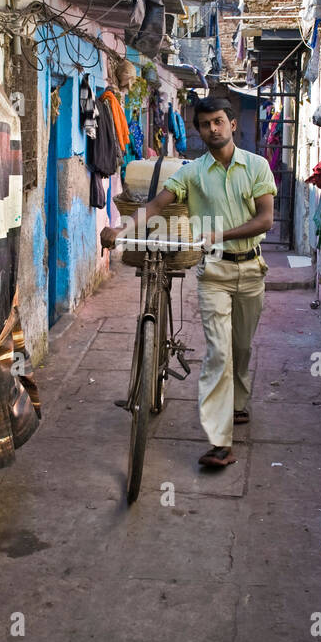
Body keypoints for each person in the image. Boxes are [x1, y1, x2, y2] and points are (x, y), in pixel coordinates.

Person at [100, 97, 276, 468]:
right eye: (205, 124)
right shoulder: (192, 172)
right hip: (213, 273)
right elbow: (156, 206)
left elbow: (264, 221)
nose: (213, 129)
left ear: (231, 124)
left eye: (219, 122)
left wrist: (219, 234)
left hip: (251, 269)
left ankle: (238, 403)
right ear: (197, 130)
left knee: (241, 348)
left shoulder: (257, 166)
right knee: (218, 354)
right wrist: (122, 228)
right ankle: (219, 443)